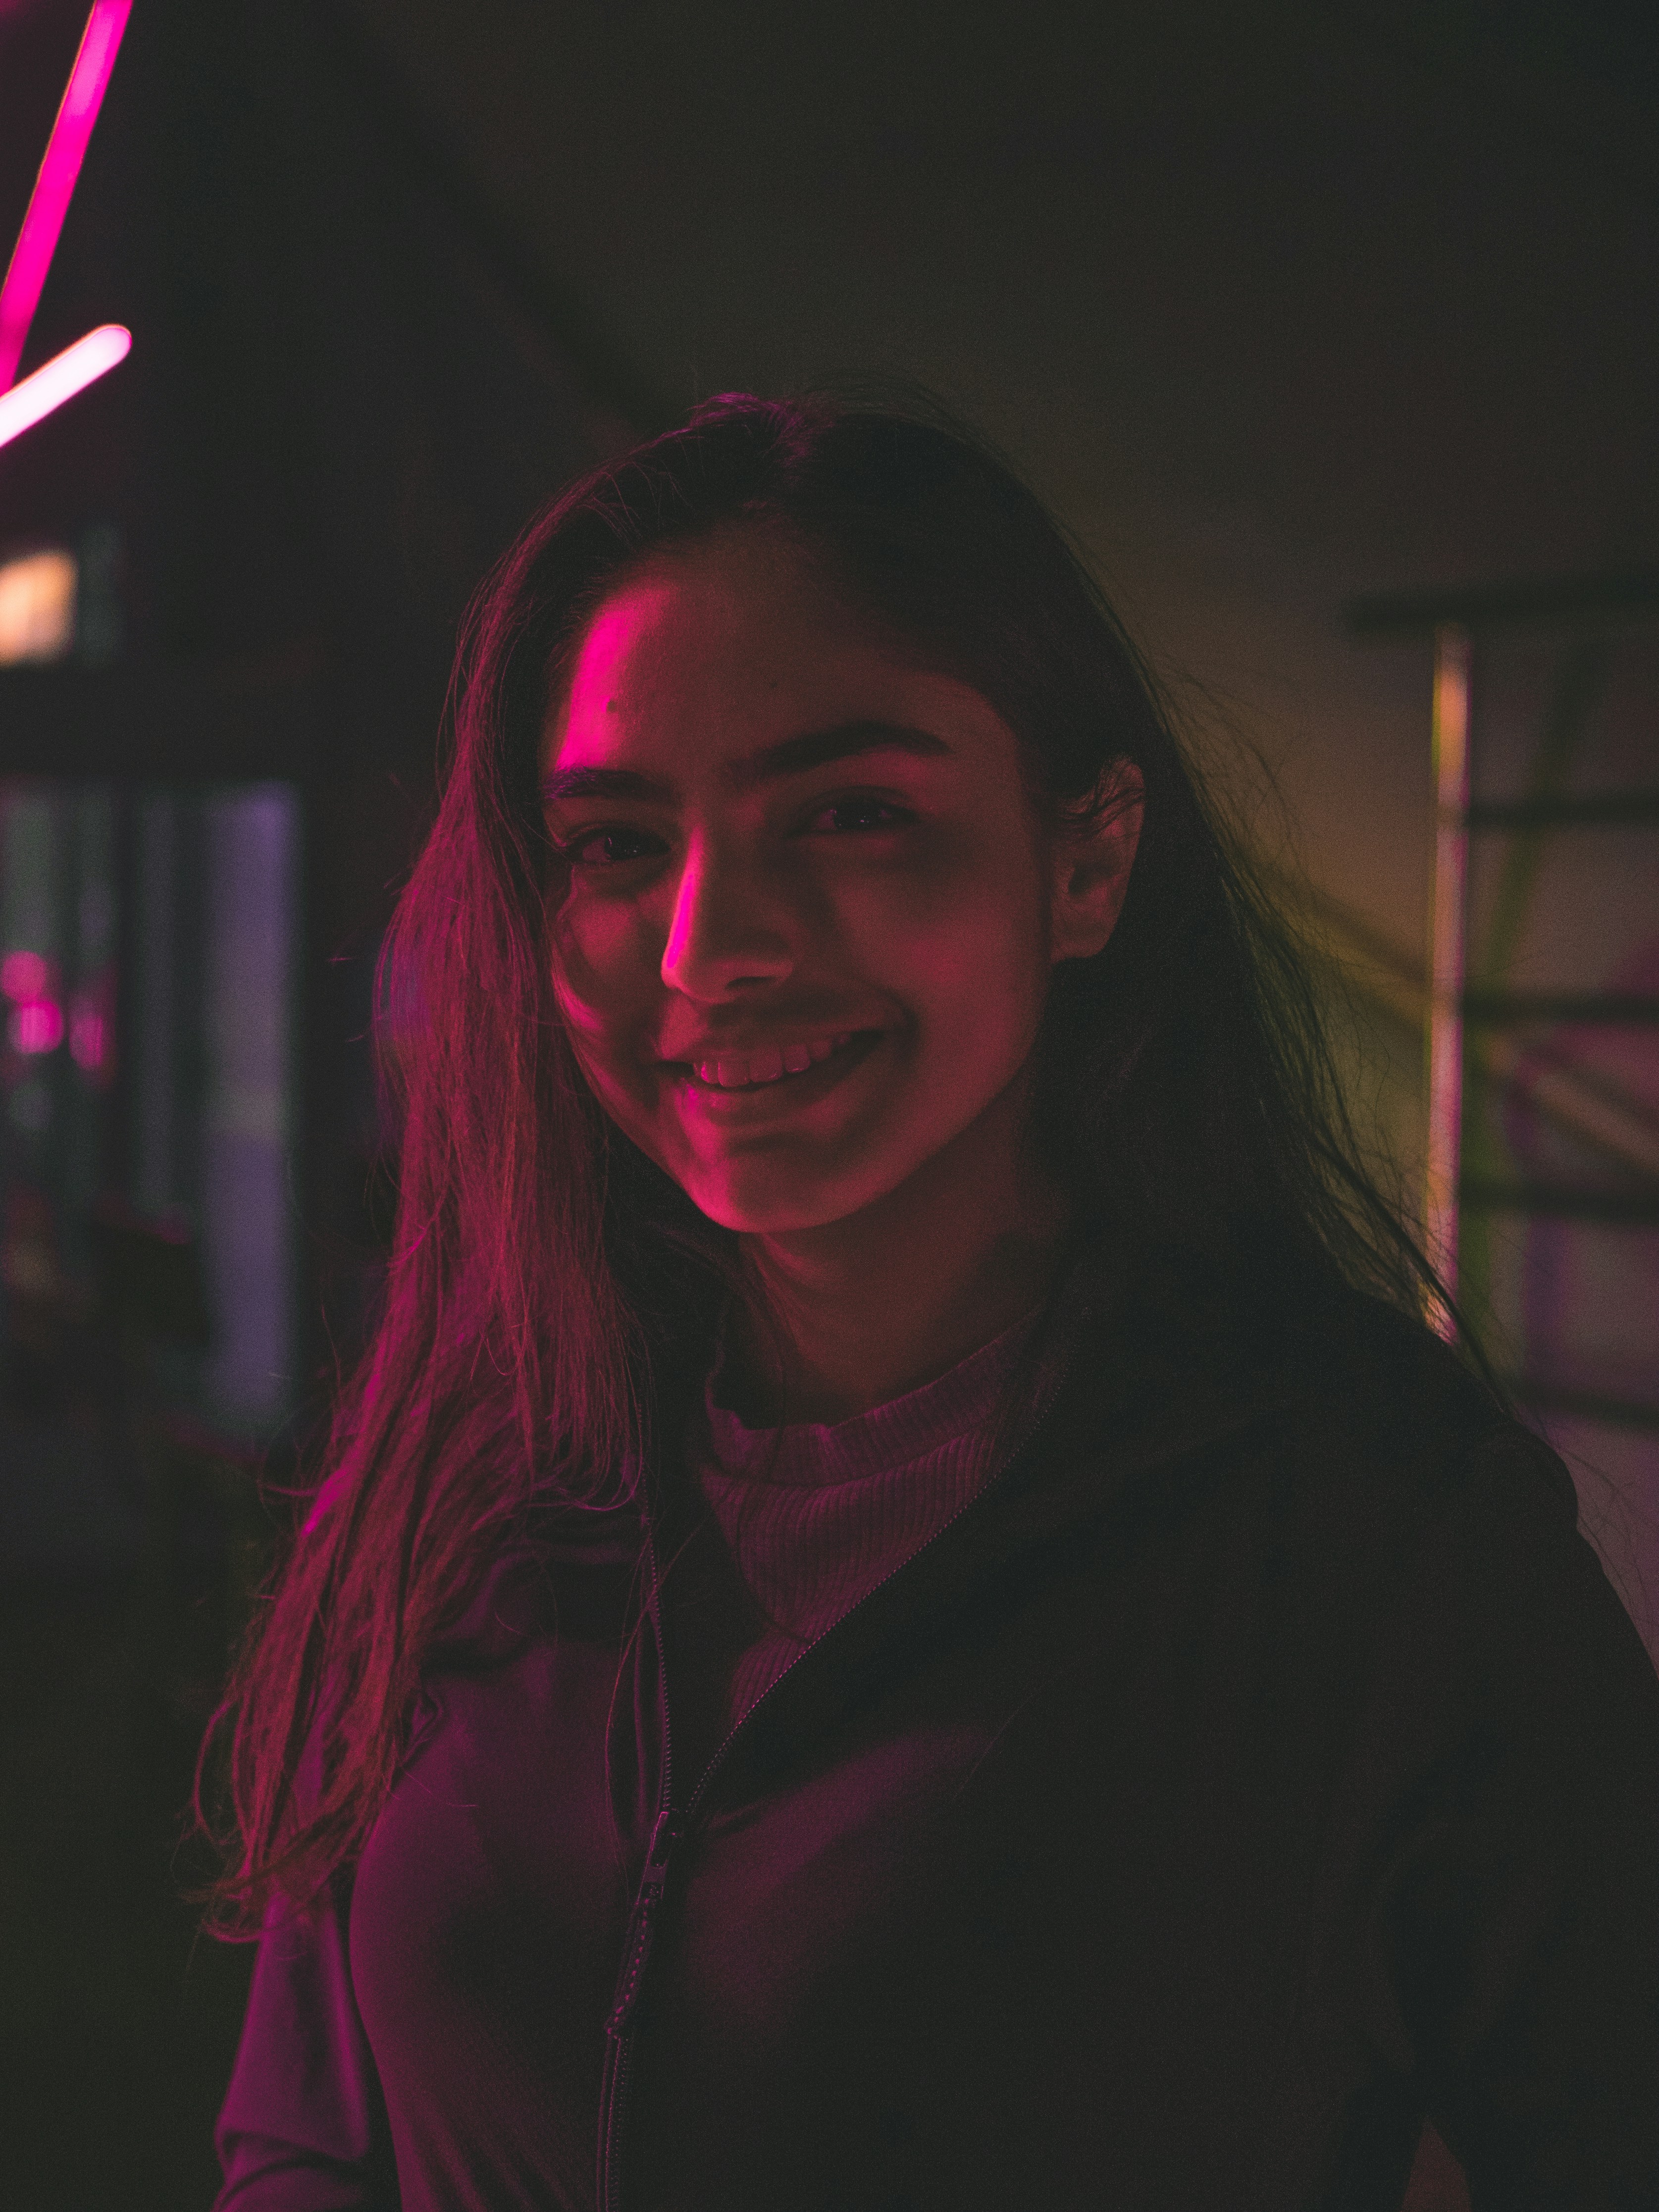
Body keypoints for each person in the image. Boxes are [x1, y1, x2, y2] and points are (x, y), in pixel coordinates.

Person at [202, 390, 1659, 2212]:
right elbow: (309, 2123)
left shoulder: (1369, 1538)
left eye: (852, 813)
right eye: (615, 844)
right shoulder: (491, 1458)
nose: (708, 949)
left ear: (1089, 856)